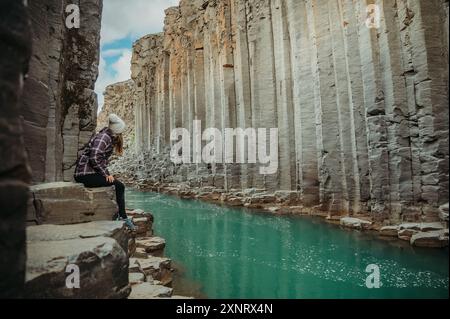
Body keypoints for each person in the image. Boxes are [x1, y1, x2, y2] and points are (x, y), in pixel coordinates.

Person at [74, 114, 136, 230]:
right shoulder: (104, 137)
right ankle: (123, 217)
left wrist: (107, 174)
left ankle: (121, 215)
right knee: (119, 186)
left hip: (89, 173)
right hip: (85, 174)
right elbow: (95, 157)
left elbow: (100, 160)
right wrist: (106, 174)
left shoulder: (108, 136)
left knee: (117, 184)